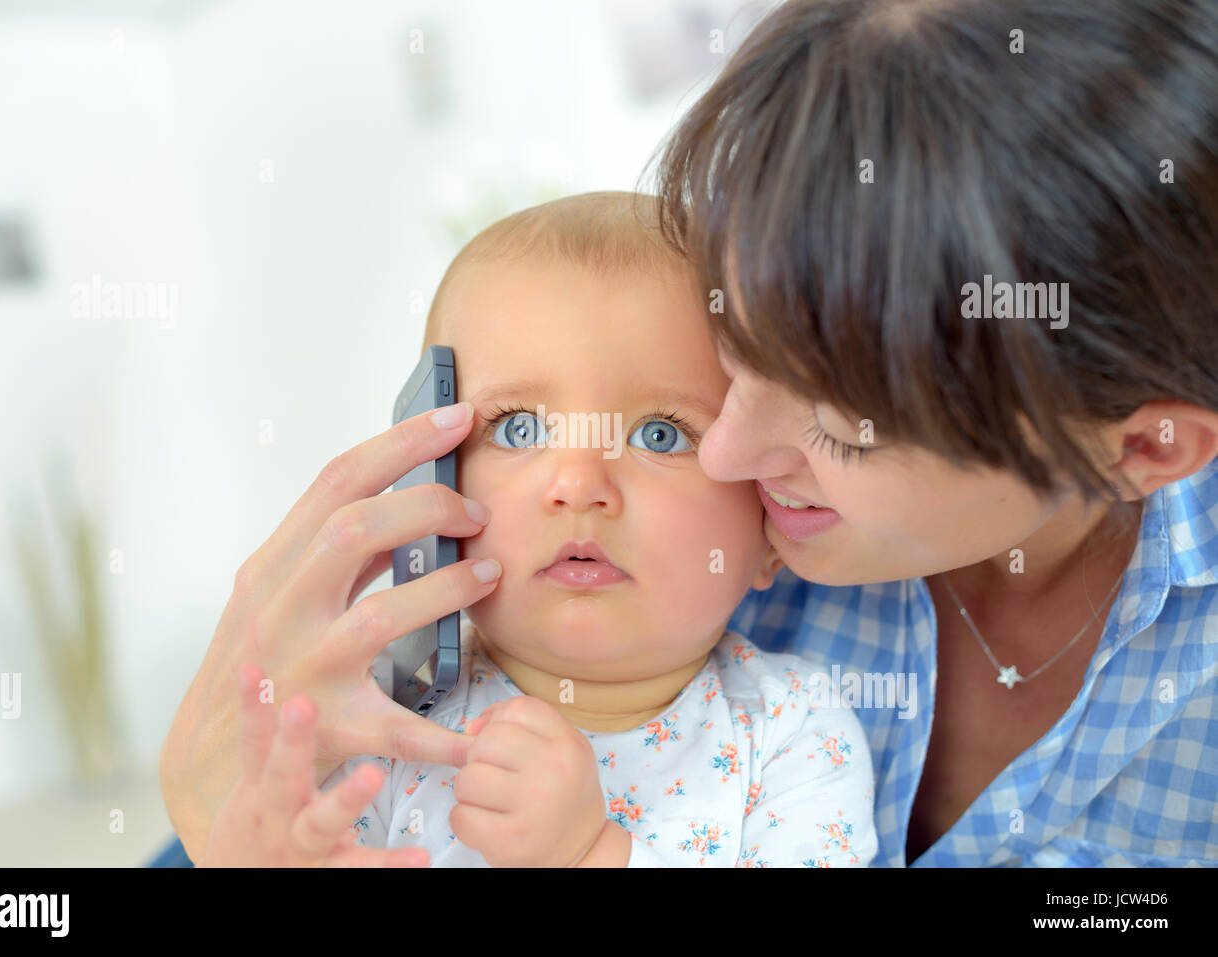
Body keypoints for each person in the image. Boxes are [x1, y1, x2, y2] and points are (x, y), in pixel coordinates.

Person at [154, 0, 1218, 867]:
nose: (723, 451)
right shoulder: (465, 666)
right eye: (739, 353)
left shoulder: (775, 716)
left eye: (843, 417)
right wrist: (212, 827)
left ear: (1146, 447)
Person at [196, 192, 876, 867]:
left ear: (772, 522)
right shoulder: (377, 714)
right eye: (519, 428)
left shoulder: (797, 731)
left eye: (660, 433)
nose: (579, 485)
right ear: (434, 479)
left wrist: (590, 853)